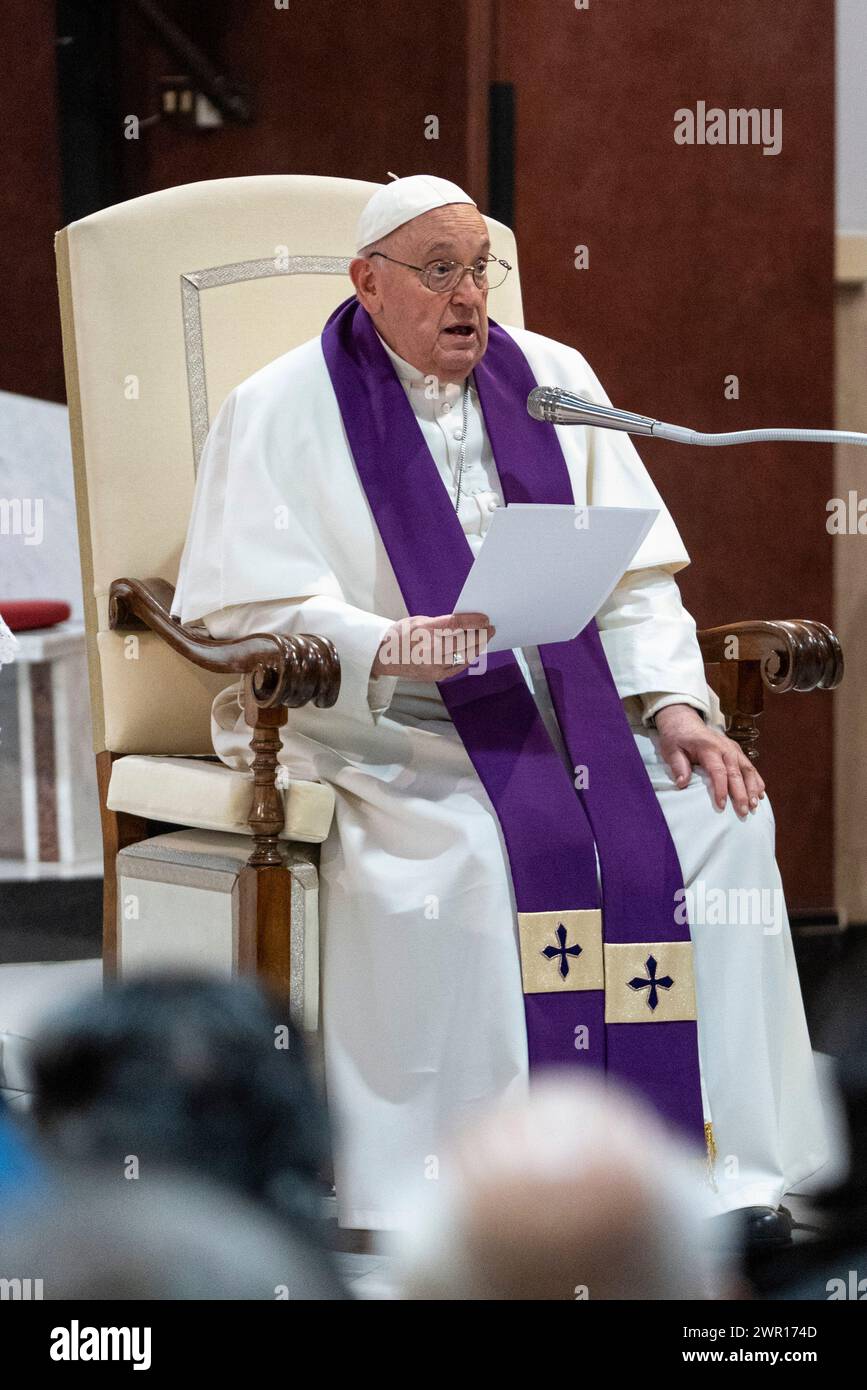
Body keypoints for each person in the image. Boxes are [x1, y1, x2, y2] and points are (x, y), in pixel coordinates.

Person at [172, 173, 828, 1236]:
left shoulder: (555, 382)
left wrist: (675, 710)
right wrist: (386, 644)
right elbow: (244, 606)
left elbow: (632, 578)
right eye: (439, 272)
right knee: (474, 858)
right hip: (388, 730)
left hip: (569, 718)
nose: (469, 295)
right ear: (368, 284)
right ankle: (486, 1188)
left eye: (480, 268)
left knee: (716, 821)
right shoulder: (280, 407)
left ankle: (712, 1168)